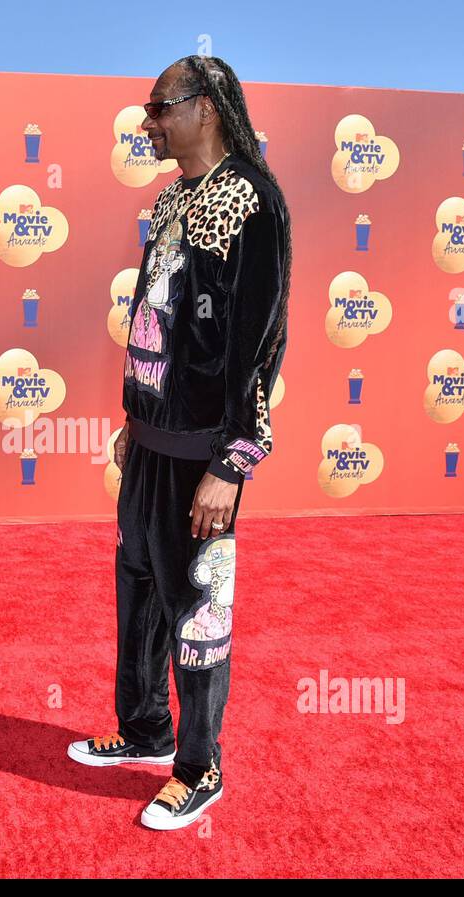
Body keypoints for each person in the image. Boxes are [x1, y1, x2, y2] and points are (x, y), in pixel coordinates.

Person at [67, 55, 291, 830]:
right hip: (150, 442)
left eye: (160, 106)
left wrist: (233, 462)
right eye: (148, 108)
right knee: (138, 590)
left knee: (199, 609)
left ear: (207, 108)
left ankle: (199, 767)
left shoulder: (253, 200)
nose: (148, 120)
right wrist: (134, 422)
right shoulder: (170, 198)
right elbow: (153, 320)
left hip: (205, 453)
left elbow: (260, 344)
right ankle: (145, 730)